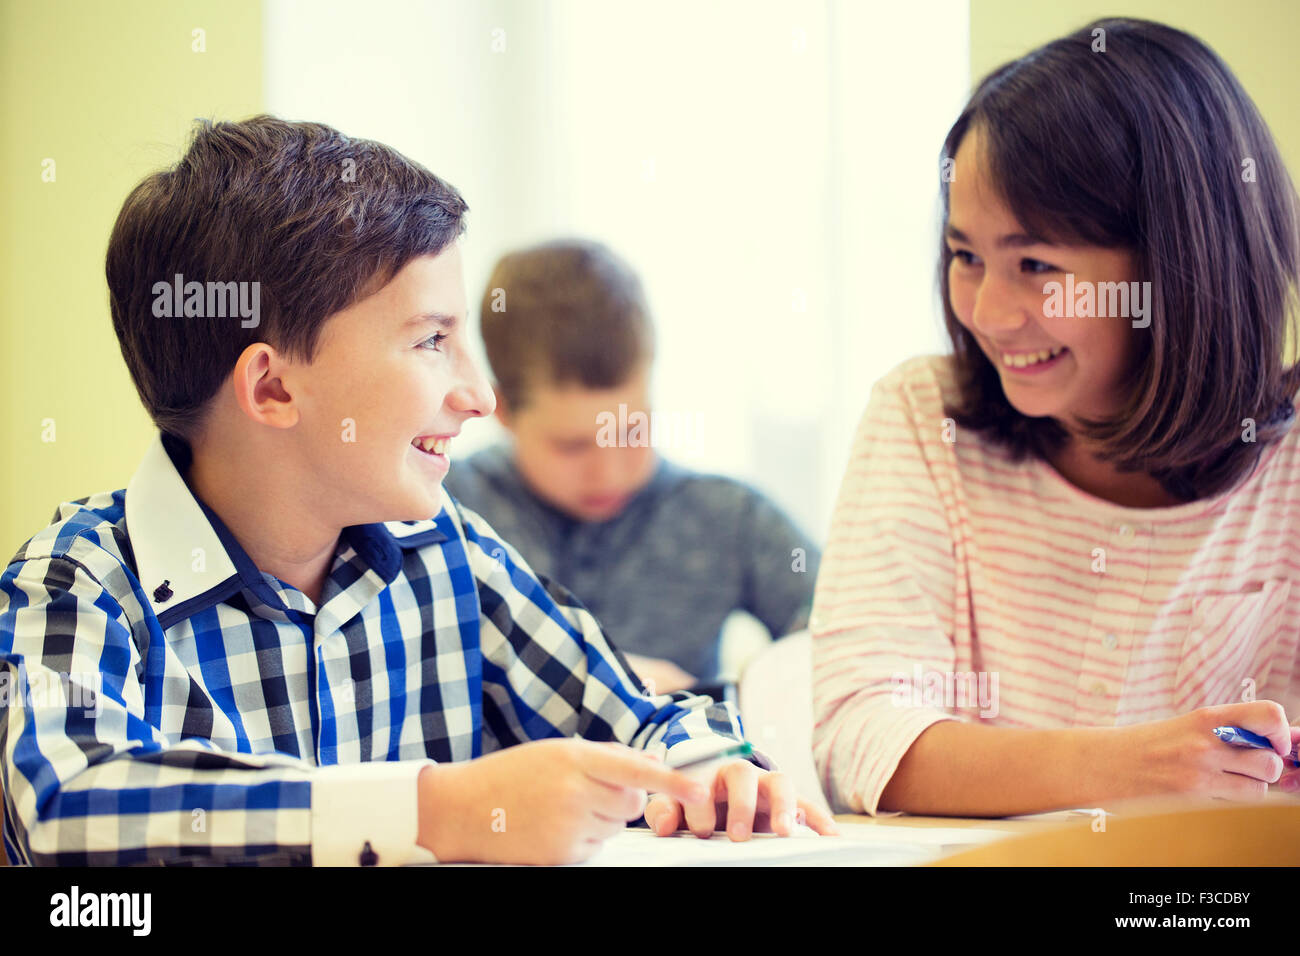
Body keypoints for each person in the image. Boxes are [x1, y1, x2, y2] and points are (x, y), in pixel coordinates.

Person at [0, 116, 835, 867]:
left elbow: (641, 720)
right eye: (432, 340)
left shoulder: (449, 550)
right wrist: (436, 808)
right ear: (274, 391)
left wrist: (715, 771)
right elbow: (68, 806)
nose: (478, 396)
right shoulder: (78, 581)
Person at [812, 18, 1300, 817]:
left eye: (1036, 265)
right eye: (966, 256)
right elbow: (862, 734)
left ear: (1176, 264)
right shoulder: (923, 416)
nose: (988, 313)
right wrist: (1141, 766)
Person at [443, 239, 820, 695]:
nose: (610, 472)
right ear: (499, 410)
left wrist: (717, 695)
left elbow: (845, 648)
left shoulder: (730, 516)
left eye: (631, 430)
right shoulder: (443, 508)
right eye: (573, 446)